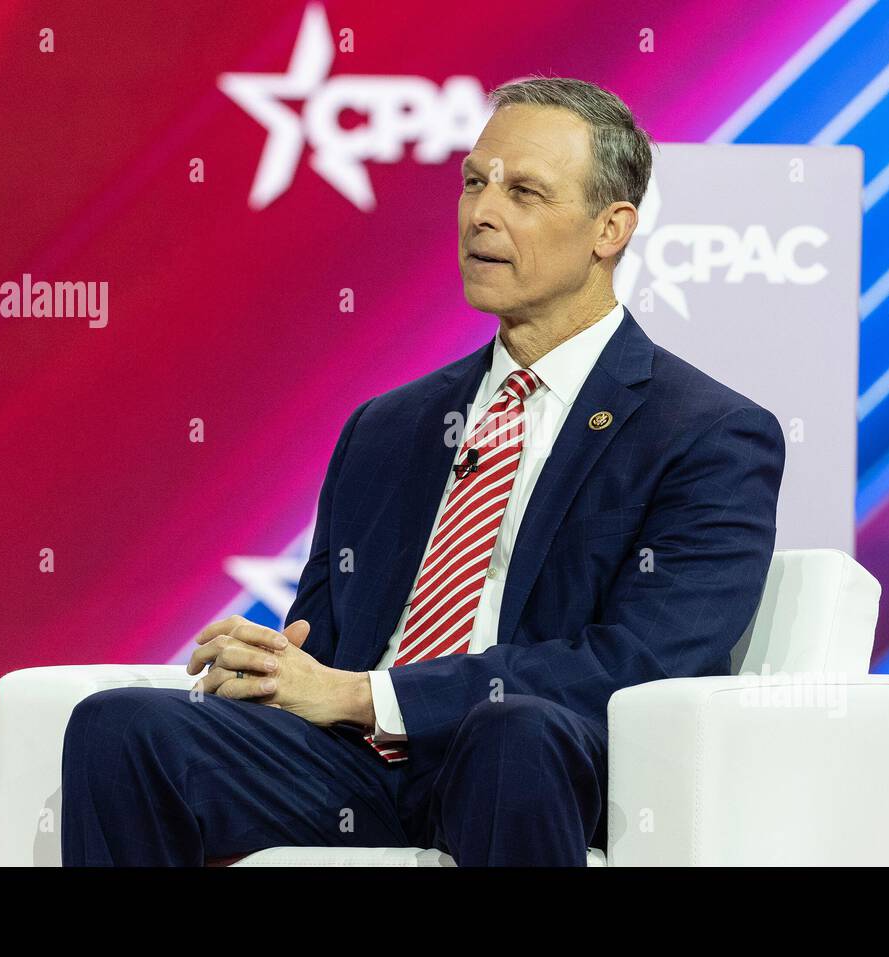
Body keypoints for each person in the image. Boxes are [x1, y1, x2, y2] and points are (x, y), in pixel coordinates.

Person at [61, 76, 785, 867]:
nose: (482, 212)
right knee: (121, 727)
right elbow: (325, 640)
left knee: (516, 731)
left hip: (528, 766)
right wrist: (275, 665)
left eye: (526, 193)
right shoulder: (388, 427)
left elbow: (640, 663)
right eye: (476, 181)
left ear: (609, 229)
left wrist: (369, 694)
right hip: (356, 769)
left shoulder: (707, 433)